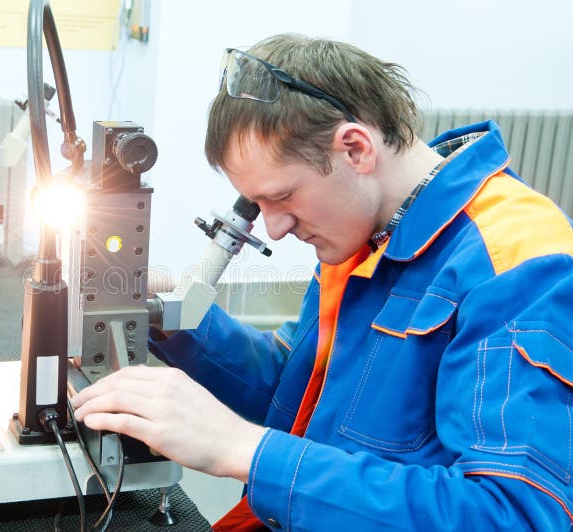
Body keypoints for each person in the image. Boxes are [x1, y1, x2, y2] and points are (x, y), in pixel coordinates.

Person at [71, 34, 573, 530]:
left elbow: (514, 515)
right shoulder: (366, 232)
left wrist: (243, 449)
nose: (273, 228)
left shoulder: (515, 262)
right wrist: (171, 325)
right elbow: (299, 392)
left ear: (355, 150)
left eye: (282, 197)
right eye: (257, 205)